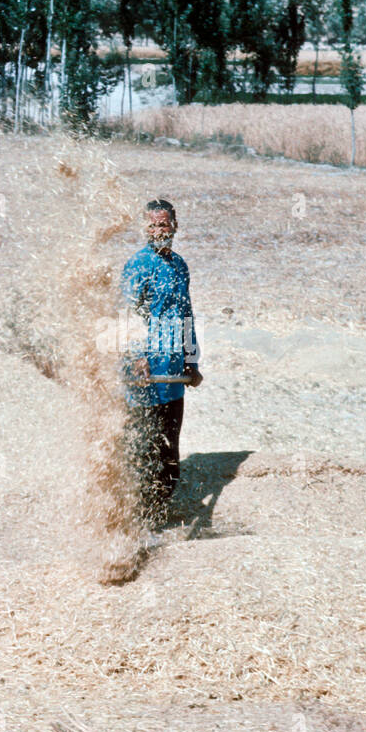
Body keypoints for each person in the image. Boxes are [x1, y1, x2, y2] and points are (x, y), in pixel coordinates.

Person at [120, 199, 203, 528]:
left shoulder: (180, 266)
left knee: (169, 454)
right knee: (142, 453)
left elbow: (186, 316)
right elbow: (125, 315)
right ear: (144, 228)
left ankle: (156, 518)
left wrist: (191, 360)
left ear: (175, 226)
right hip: (143, 377)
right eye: (152, 225)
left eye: (164, 225)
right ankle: (135, 521)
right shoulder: (137, 265)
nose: (158, 231)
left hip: (172, 378)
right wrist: (136, 356)